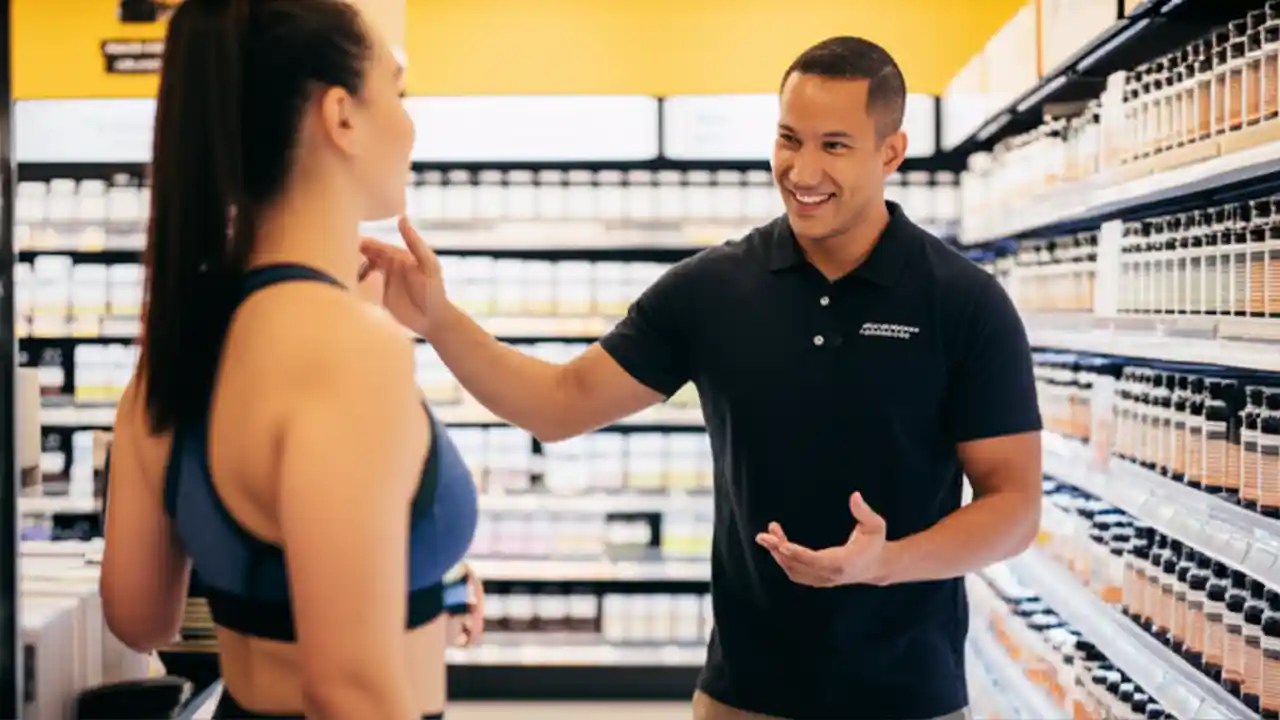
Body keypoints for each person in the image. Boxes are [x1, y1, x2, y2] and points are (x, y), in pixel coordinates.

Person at [362, 35, 1042, 720]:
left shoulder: (963, 303)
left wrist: (885, 560)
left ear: (889, 153)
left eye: (834, 145)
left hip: (912, 700)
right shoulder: (713, 290)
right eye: (788, 139)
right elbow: (558, 405)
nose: (802, 170)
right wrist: (438, 319)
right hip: (743, 698)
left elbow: (1013, 507)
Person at [97, 1, 481, 718]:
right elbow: (350, 691)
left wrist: (424, 585)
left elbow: (140, 615)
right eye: (396, 91)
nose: (408, 121)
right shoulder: (352, 351)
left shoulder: (180, 346)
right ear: (341, 116)